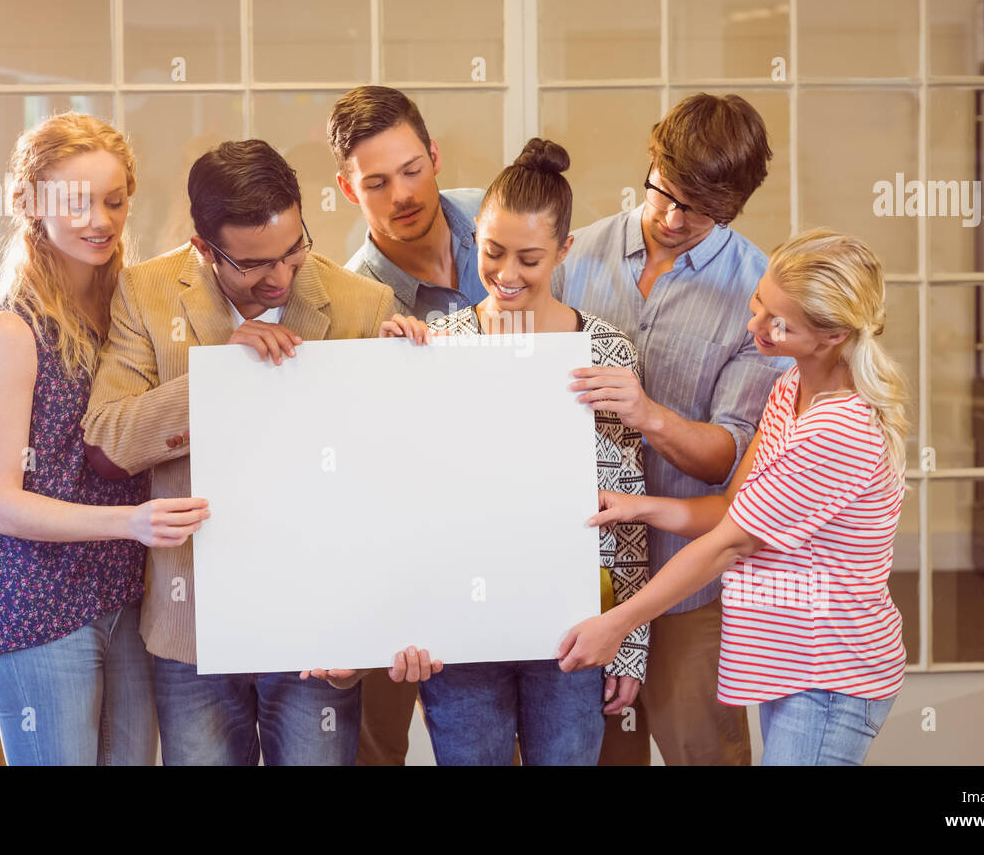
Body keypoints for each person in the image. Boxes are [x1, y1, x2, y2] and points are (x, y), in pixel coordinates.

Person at [81, 139, 411, 765]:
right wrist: (222, 378)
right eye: (256, 265)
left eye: (294, 251)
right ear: (204, 249)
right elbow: (107, 443)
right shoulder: (145, 293)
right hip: (194, 626)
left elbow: (388, 476)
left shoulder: (362, 303)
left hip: (320, 625)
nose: (281, 278)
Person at [557, 228, 909, 766]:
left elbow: (729, 544)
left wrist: (617, 623)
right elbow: (732, 509)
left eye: (779, 323)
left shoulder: (838, 429)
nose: (755, 327)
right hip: (796, 664)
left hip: (832, 673)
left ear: (832, 335)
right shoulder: (792, 387)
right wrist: (641, 507)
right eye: (759, 303)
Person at [381, 138, 650, 765]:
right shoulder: (436, 344)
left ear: (564, 251)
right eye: (494, 251)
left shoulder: (605, 350)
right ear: (475, 235)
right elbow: (403, 498)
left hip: (572, 625)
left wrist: (630, 640)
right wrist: (389, 366)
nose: (506, 274)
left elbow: (626, 513)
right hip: (462, 626)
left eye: (529, 258)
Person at [0, 112, 211, 765]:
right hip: (35, 610)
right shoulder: (14, 330)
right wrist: (132, 521)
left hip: (124, 598)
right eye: (77, 201)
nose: (100, 219)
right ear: (27, 203)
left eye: (114, 200)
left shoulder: (127, 309)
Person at [553, 92, 789, 765]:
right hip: (586, 575)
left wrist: (647, 415)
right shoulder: (575, 257)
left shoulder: (759, 294)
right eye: (665, 193)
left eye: (700, 210)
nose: (673, 218)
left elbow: (728, 460)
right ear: (650, 160)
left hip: (692, 591)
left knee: (703, 753)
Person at [328, 85, 489, 764]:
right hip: (394, 552)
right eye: (377, 182)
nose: (401, 194)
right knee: (377, 742)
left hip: (498, 531)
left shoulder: (499, 221)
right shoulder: (348, 299)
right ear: (347, 189)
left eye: (412, 169)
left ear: (435, 155)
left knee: (493, 731)